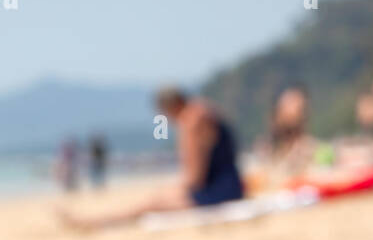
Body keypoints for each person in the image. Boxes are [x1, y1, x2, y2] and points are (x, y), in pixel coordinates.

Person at [59, 87, 243, 230]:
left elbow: (195, 179)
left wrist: (175, 188)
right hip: (231, 184)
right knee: (159, 196)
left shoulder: (190, 121)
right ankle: (93, 220)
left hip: (220, 192)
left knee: (151, 203)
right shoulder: (205, 109)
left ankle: (94, 222)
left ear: (170, 107)